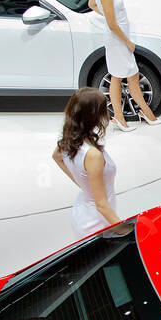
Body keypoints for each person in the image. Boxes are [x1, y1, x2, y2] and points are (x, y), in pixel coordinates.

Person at [88, 0, 160, 130]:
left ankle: (125, 117)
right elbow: (112, 24)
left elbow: (91, 4)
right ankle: (142, 114)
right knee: (129, 76)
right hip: (118, 40)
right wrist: (127, 42)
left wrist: (106, 14)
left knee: (119, 77)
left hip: (117, 38)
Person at [53, 88, 123, 239]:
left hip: (83, 213)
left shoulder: (70, 139)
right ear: (94, 115)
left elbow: (57, 157)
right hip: (96, 224)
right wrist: (127, 230)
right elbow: (102, 205)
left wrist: (85, 184)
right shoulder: (93, 155)